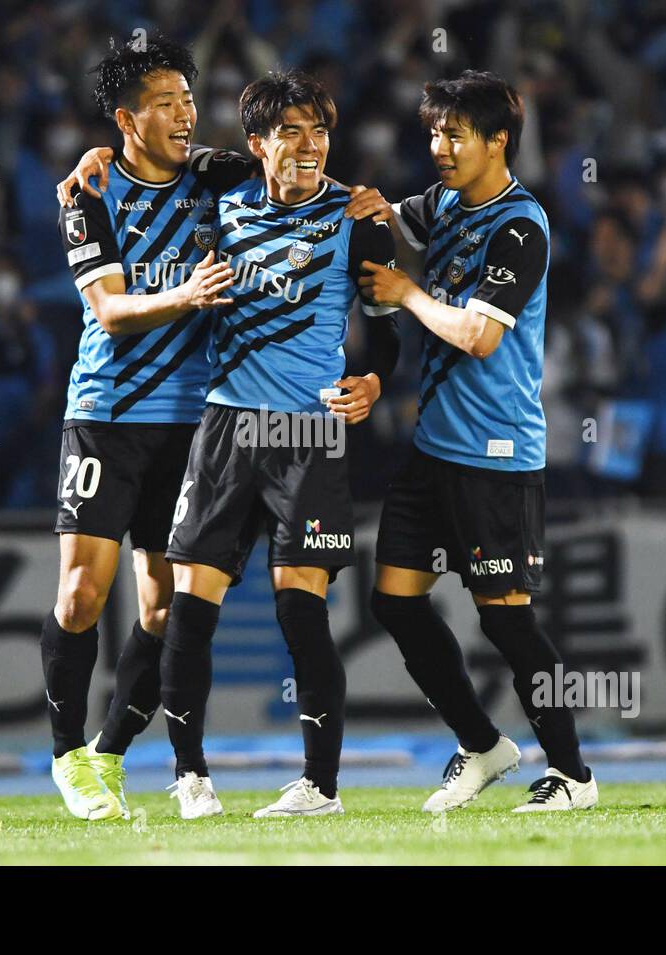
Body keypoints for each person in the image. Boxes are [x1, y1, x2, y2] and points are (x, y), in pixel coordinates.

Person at [346, 70, 599, 812]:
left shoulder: (522, 225)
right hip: (433, 450)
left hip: (494, 453)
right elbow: (394, 216)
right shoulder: (446, 203)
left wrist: (408, 294)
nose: (439, 147)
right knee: (394, 601)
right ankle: (482, 743)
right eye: (433, 132)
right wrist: (360, 205)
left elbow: (481, 335)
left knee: (505, 616)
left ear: (498, 143)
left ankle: (574, 774)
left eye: (455, 134)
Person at [152, 70, 400, 818]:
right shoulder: (220, 210)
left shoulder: (359, 218)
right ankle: (191, 775)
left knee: (302, 612)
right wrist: (91, 164)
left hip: (308, 434)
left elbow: (385, 329)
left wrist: (375, 382)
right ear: (257, 143)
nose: (308, 145)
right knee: (189, 609)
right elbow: (159, 159)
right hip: (227, 427)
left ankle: (319, 786)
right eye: (290, 130)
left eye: (318, 130)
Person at [39, 37, 246, 821]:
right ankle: (64, 757)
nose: (185, 114)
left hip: (191, 423)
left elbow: (287, 179)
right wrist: (190, 294)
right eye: (165, 103)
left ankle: (110, 753)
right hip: (107, 415)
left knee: (164, 609)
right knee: (83, 592)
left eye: (189, 100)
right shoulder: (88, 195)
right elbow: (111, 312)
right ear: (127, 119)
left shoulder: (213, 178)